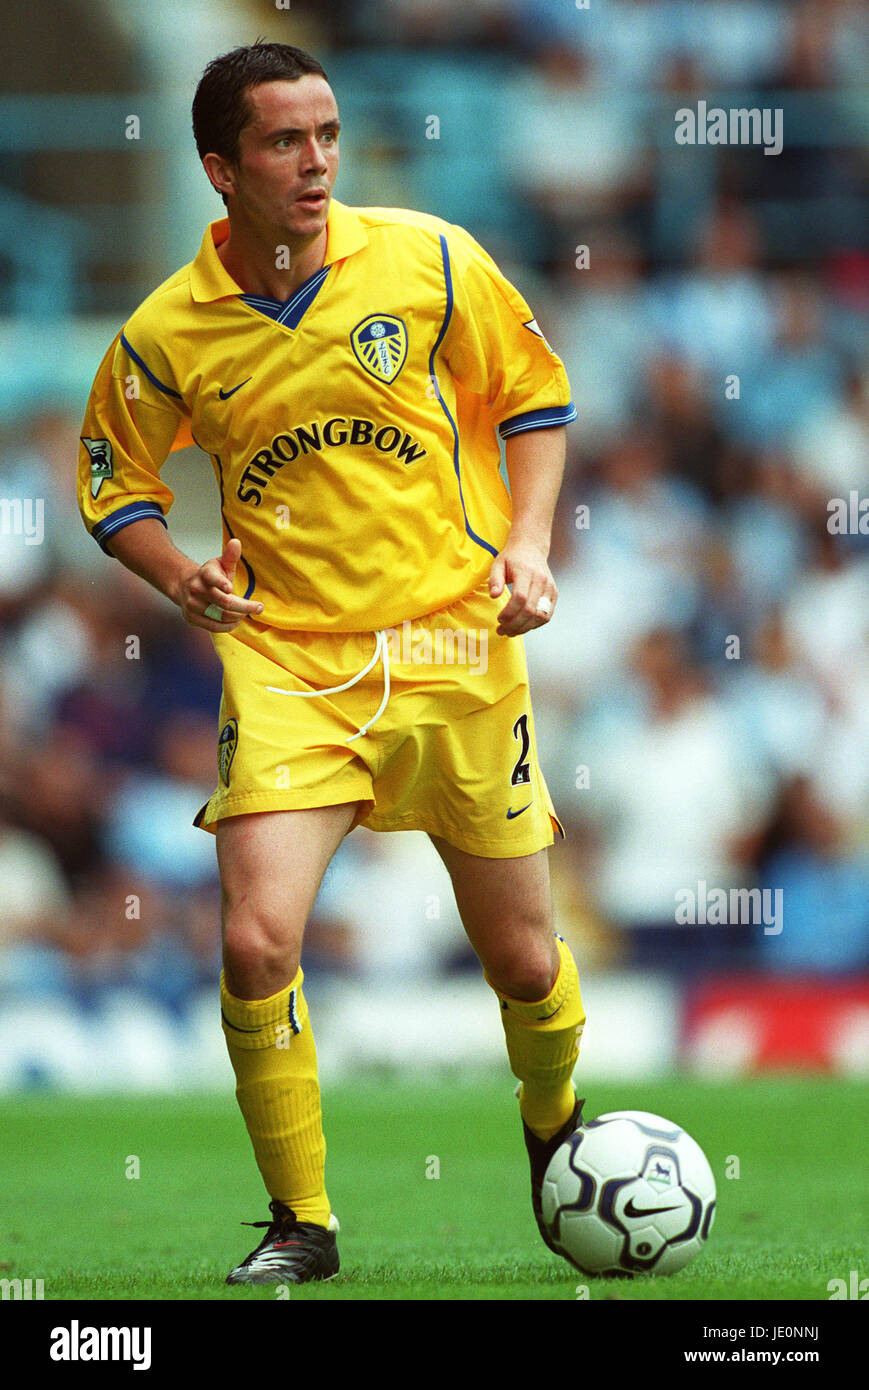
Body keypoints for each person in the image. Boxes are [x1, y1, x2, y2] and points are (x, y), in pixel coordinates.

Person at [78, 42, 586, 1285]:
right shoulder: (167, 331)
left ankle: (554, 1135)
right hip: (289, 659)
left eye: (327, 134)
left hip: (456, 646)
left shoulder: (429, 259)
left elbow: (533, 400)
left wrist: (524, 545)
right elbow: (112, 483)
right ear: (219, 169)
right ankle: (303, 1222)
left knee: (522, 960)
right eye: (282, 142)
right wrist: (175, 573)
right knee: (256, 942)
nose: (316, 162)